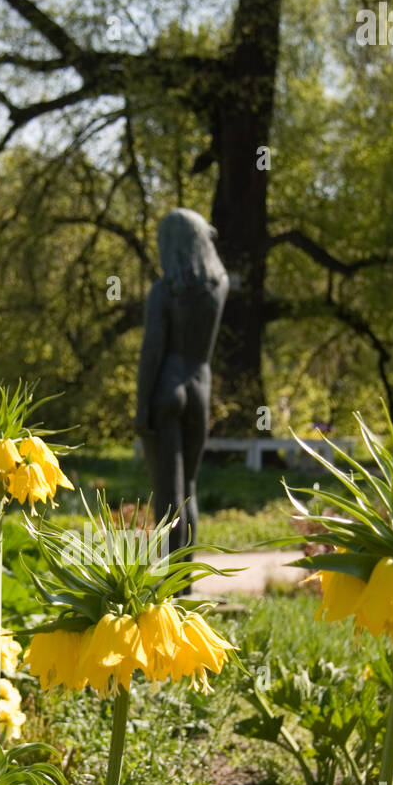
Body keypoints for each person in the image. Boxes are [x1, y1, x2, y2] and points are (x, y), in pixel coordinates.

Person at [134, 207, 228, 554]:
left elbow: (152, 351)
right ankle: (186, 576)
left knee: (167, 490)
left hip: (165, 390)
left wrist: (142, 407)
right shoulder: (220, 286)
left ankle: (169, 581)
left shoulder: (164, 291)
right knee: (188, 485)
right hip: (199, 385)